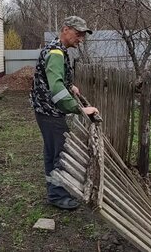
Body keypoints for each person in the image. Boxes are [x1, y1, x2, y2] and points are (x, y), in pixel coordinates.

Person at [30, 16, 99, 210]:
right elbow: (56, 88)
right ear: (66, 29)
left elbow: (55, 78)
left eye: (83, 36)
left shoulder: (57, 49)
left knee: (51, 153)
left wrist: (71, 86)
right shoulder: (56, 53)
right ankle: (58, 196)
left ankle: (54, 191)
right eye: (78, 34)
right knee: (59, 153)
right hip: (50, 112)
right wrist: (79, 109)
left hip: (44, 110)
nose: (81, 39)